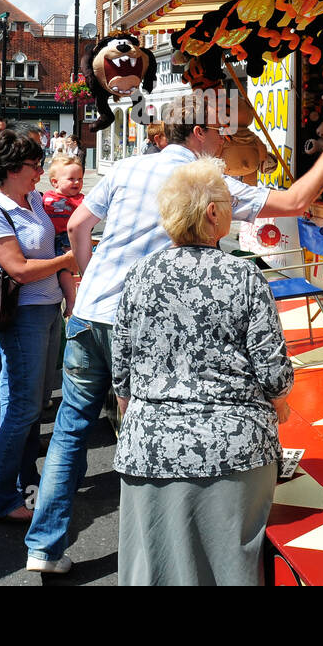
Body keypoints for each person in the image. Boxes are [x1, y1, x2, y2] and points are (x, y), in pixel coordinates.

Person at [23, 96, 323, 574]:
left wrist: (87, 282)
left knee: (71, 430)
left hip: (93, 309)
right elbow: (294, 202)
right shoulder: (211, 185)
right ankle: (181, 529)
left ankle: (44, 548)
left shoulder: (125, 169)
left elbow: (80, 224)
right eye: (220, 132)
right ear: (199, 133)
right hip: (147, 315)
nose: (227, 141)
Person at [113, 159, 292, 584]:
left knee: (154, 565)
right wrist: (279, 403)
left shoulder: (139, 275)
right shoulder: (244, 276)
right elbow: (274, 373)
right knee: (228, 566)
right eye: (229, 203)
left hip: (150, 443)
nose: (232, 211)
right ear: (212, 213)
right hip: (235, 446)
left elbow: (121, 368)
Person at [0, 131, 76, 519]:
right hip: (23, 314)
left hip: (46, 311)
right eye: (34, 166)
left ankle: (27, 483)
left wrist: (65, 286)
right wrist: (66, 261)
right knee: (23, 407)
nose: (40, 172)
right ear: (11, 169)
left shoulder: (31, 199)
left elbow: (46, 247)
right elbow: (19, 269)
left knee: (32, 406)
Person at [42, 153, 84, 256]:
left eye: (80, 179)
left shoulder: (80, 199)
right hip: (48, 238)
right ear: (55, 182)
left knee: (65, 267)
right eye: (71, 179)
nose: (77, 182)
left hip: (68, 238)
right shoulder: (46, 197)